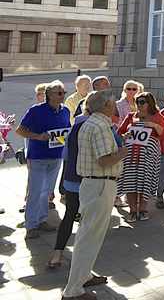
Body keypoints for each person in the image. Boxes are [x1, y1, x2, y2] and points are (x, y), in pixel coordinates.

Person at [61, 89, 128, 300]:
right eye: (113, 102)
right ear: (106, 106)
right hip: (100, 185)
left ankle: (83, 276)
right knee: (88, 237)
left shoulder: (94, 123)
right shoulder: (99, 125)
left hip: (95, 185)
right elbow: (104, 160)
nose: (115, 104)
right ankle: (73, 290)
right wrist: (124, 151)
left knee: (89, 235)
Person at [17, 79, 70, 239]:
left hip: (56, 157)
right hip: (38, 156)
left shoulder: (65, 110)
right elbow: (20, 130)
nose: (62, 95)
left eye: (64, 93)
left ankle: (41, 220)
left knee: (46, 192)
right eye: (59, 93)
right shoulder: (36, 110)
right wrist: (38, 136)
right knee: (35, 191)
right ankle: (31, 226)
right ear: (49, 95)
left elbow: (66, 130)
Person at [48, 99, 92, 271]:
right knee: (87, 220)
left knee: (70, 215)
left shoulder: (75, 126)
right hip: (88, 179)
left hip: (72, 178)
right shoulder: (95, 126)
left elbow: (65, 155)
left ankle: (57, 254)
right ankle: (82, 264)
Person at [117, 92, 164, 222]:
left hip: (149, 157)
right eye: (137, 102)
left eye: (142, 102)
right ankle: (133, 210)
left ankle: (143, 209)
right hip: (131, 156)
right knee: (131, 182)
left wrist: (153, 125)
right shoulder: (130, 117)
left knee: (144, 181)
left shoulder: (157, 116)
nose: (139, 105)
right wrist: (125, 136)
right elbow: (119, 134)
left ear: (149, 103)